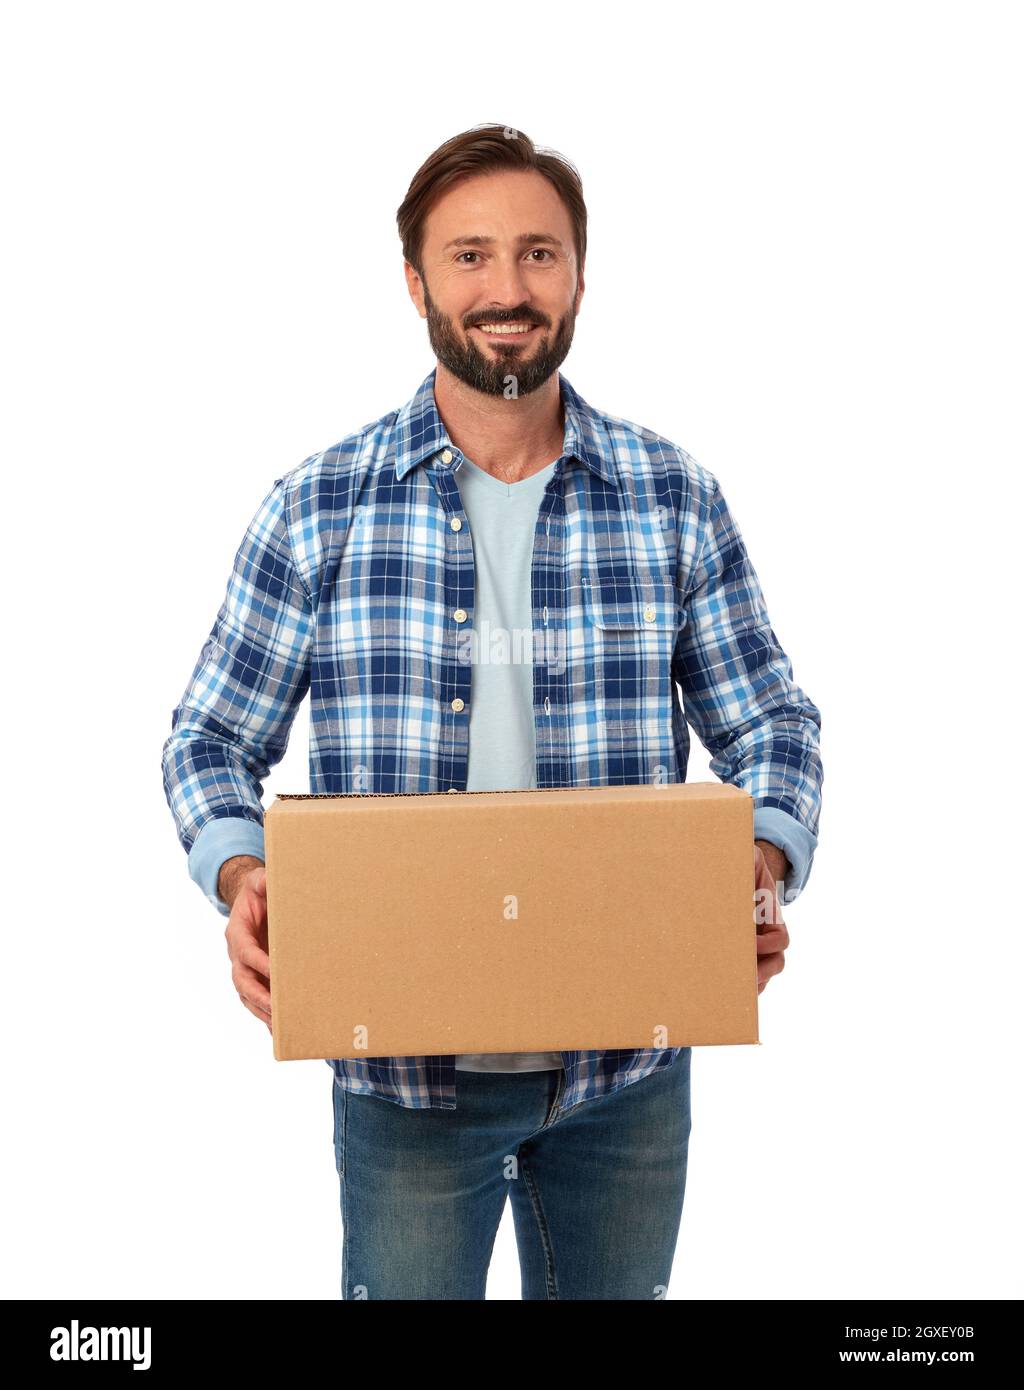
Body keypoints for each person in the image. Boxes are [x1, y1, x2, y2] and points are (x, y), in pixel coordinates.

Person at [161, 124, 823, 1300]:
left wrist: (760, 858)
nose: (506, 290)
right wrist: (242, 871)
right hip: (405, 1076)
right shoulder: (318, 507)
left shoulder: (673, 498)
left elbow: (771, 714)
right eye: (469, 257)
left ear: (578, 276)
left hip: (627, 1064)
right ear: (415, 282)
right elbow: (210, 736)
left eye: (537, 254)